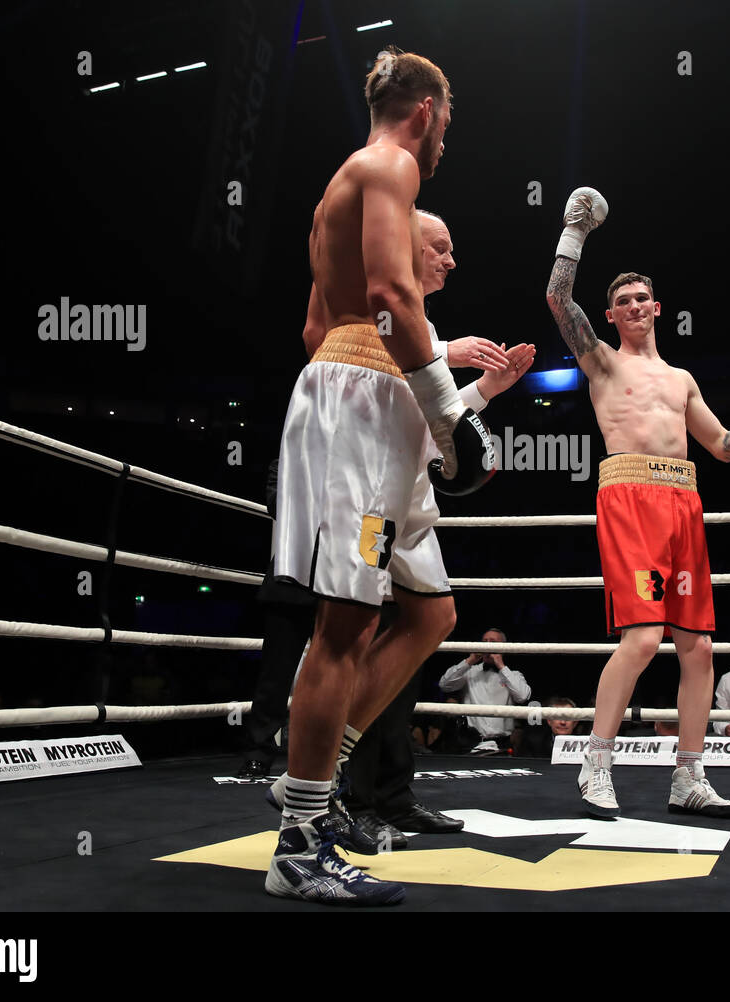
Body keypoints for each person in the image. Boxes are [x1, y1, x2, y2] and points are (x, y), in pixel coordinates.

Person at [264, 48, 496, 907]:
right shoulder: (391, 162)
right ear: (427, 112)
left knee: (428, 609)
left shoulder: (341, 184)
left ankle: (312, 784)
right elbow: (391, 295)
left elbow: (318, 324)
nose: (440, 150)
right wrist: (448, 411)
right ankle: (299, 840)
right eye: (447, 130)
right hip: (367, 399)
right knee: (348, 623)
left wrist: (400, 390)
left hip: (363, 390)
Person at [544, 187, 730, 818]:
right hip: (630, 497)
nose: (633, 306)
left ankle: (688, 778)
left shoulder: (681, 379)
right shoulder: (603, 362)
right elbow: (558, 299)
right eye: (622, 301)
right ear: (609, 316)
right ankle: (596, 762)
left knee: (698, 648)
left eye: (642, 298)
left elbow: (723, 446)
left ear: (658, 308)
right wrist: (575, 232)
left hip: (683, 502)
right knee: (641, 639)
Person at [343, 212, 534, 841]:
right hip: (370, 502)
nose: (452, 261)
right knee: (362, 641)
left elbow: (434, 428)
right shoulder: (374, 305)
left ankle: (391, 794)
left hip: (412, 505)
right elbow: (354, 375)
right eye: (441, 250)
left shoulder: (423, 325)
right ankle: (340, 791)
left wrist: (485, 388)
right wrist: (447, 355)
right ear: (407, 249)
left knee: (420, 638)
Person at [438, 628, 532, 750]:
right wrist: (470, 660)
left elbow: (523, 696)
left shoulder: (514, 675)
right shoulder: (470, 672)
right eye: (484, 641)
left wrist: (501, 666)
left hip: (502, 743)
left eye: (493, 642)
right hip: (471, 743)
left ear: (504, 647)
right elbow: (444, 685)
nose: (487, 645)